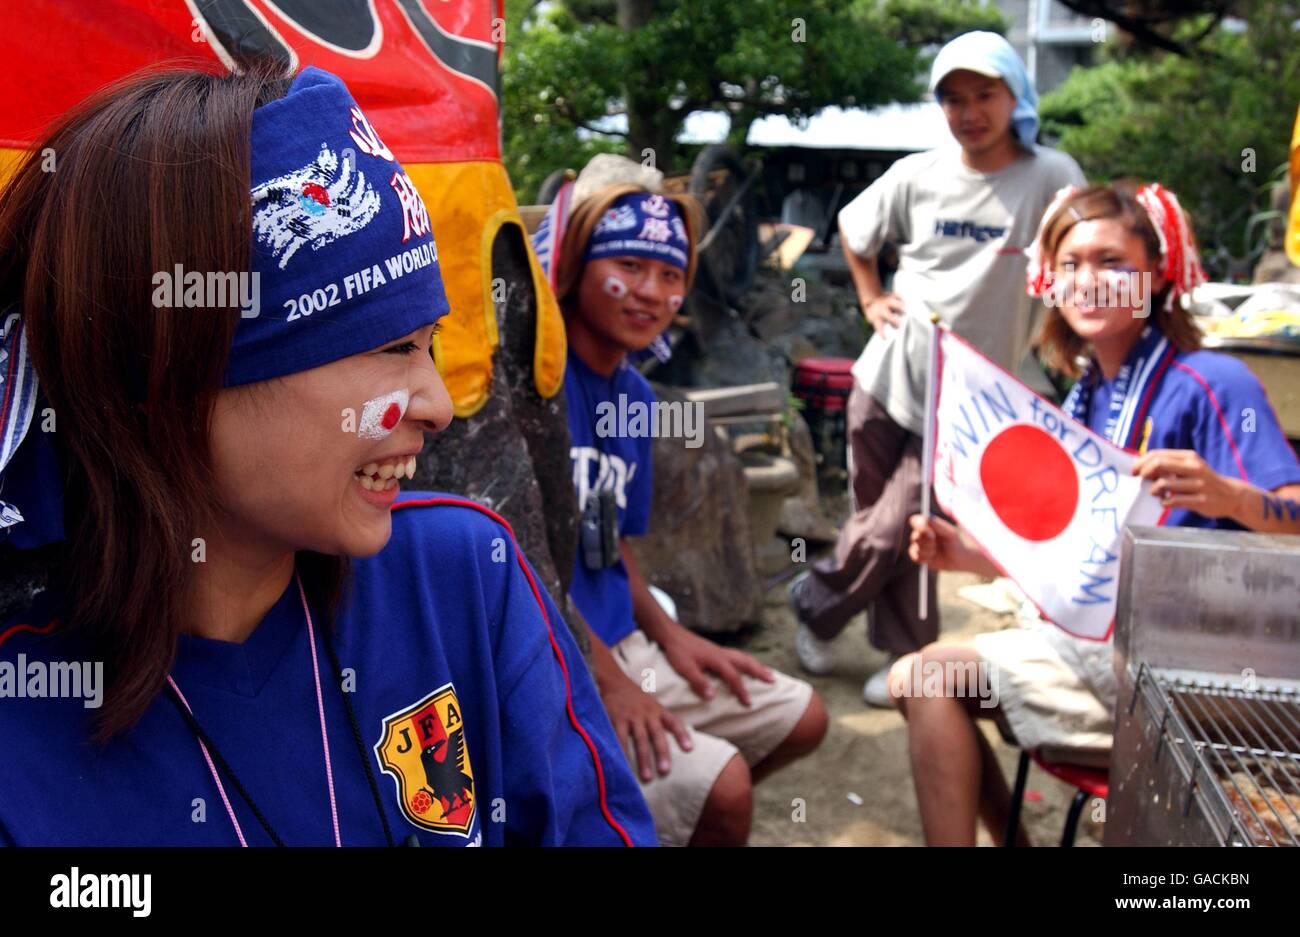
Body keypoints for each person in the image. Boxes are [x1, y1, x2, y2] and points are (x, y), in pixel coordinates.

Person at [0, 65, 654, 846]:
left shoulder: (460, 579)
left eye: (431, 344)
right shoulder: (26, 723)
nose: (439, 405)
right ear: (171, 377)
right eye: (389, 347)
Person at [898, 181, 1300, 846]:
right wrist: (962, 552)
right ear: (1049, 282)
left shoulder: (1213, 381)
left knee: (924, 676)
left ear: (1156, 274)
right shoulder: (1087, 391)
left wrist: (1227, 496)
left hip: (1187, 683)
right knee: (925, 674)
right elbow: (1077, 553)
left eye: (1112, 262)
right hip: (1103, 652)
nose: (1089, 281)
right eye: (1070, 264)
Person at [788, 30, 1086, 707]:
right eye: (953, 98)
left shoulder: (1050, 176)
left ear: (1017, 96)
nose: (969, 111)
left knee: (897, 526)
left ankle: (814, 602)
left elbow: (1078, 252)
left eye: (985, 94)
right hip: (886, 378)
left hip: (971, 399)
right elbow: (853, 228)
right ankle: (909, 653)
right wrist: (869, 296)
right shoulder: (917, 173)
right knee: (886, 526)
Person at [556, 184, 828, 846]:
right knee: (727, 788)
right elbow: (525, 565)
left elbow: (616, 548)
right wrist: (613, 683)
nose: (651, 291)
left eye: (671, 274)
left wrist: (674, 637)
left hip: (628, 645)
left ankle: (641, 816)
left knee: (803, 715)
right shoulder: (539, 383)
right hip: (558, 660)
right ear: (573, 266)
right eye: (628, 266)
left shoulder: (635, 395)